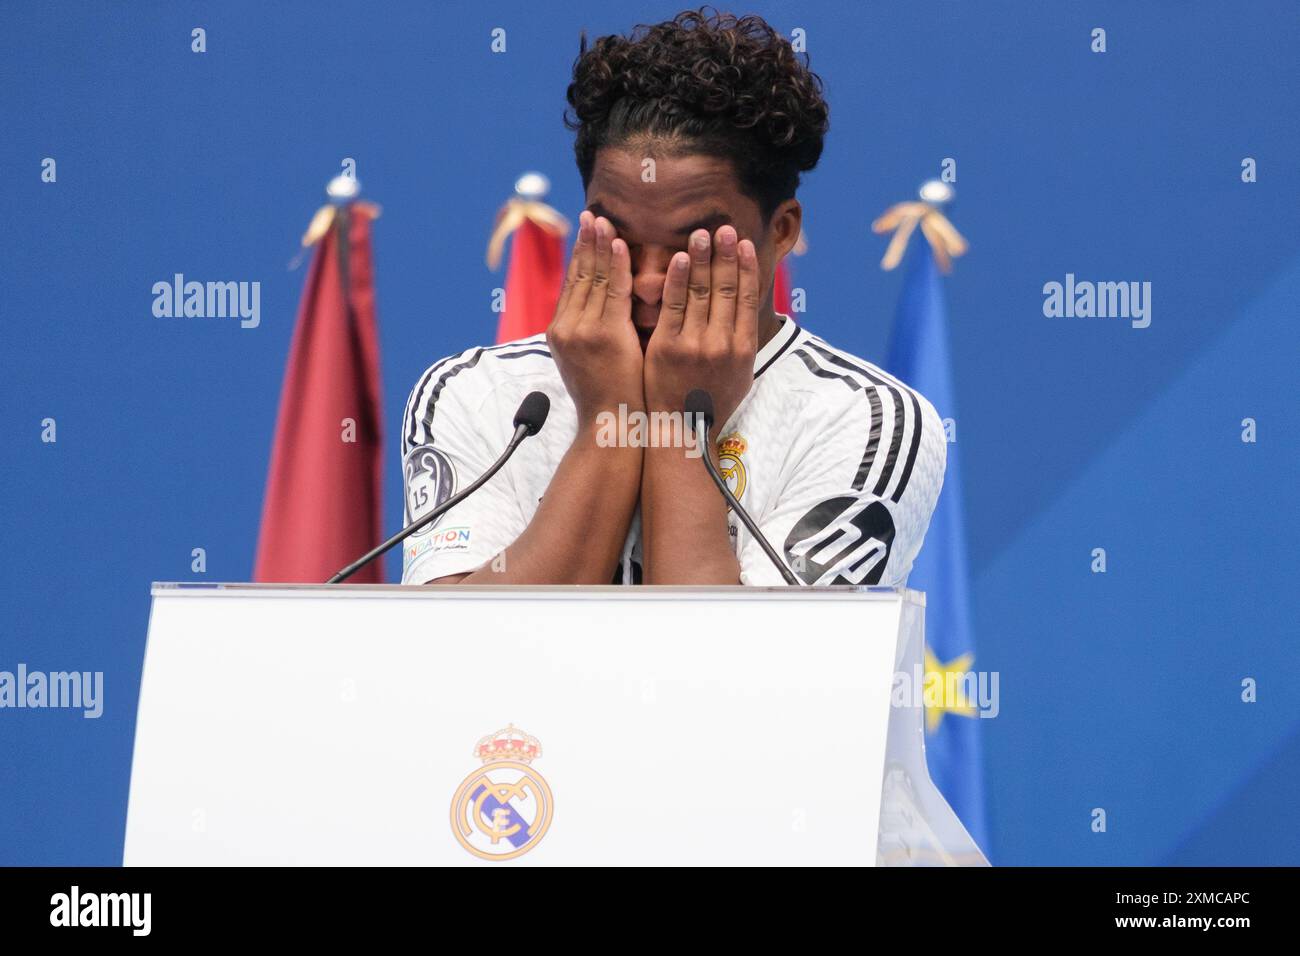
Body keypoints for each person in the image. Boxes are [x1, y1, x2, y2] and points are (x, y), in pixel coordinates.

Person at [401, 8, 945, 587]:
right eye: (620, 241)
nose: (649, 282)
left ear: (781, 230)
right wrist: (607, 421)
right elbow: (460, 659)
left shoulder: (864, 419)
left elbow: (745, 671)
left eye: (694, 246)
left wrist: (681, 425)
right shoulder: (476, 394)